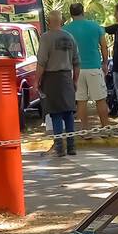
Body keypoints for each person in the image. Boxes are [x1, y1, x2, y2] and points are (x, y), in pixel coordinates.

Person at [32, 9, 81, 157]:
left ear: (48, 22)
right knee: (68, 113)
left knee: (56, 113)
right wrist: (74, 81)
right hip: (66, 77)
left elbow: (41, 62)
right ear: (61, 21)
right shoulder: (69, 37)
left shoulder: (46, 38)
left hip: (51, 79)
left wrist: (36, 81)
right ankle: (72, 146)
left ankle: (60, 147)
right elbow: (77, 62)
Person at [64, 2, 110, 132]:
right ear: (83, 12)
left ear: (71, 14)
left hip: (76, 69)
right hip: (94, 67)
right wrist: (105, 62)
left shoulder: (66, 30)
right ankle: (106, 128)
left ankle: (84, 130)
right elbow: (104, 46)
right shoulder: (95, 26)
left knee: (81, 100)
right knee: (100, 99)